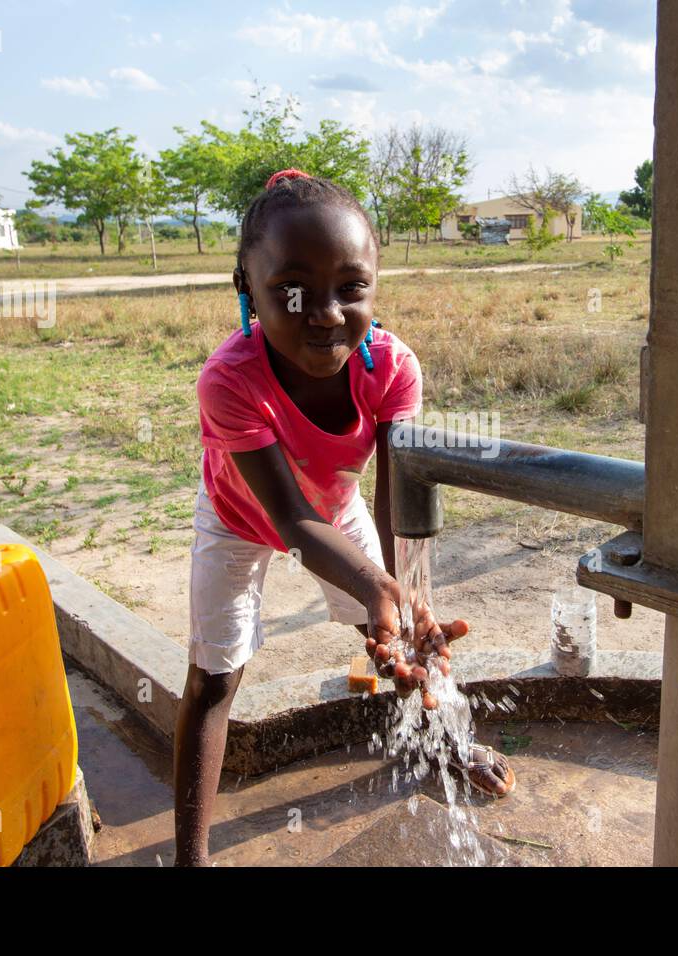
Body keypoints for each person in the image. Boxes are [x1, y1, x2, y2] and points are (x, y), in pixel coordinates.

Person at [173, 168, 515, 867]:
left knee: (400, 638)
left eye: (351, 288)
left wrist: (407, 596)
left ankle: (451, 744)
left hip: (337, 513)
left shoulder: (391, 368)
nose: (325, 312)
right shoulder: (229, 380)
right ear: (247, 287)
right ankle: (190, 858)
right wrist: (375, 584)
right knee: (214, 677)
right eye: (293, 290)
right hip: (241, 519)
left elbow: (396, 504)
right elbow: (290, 522)